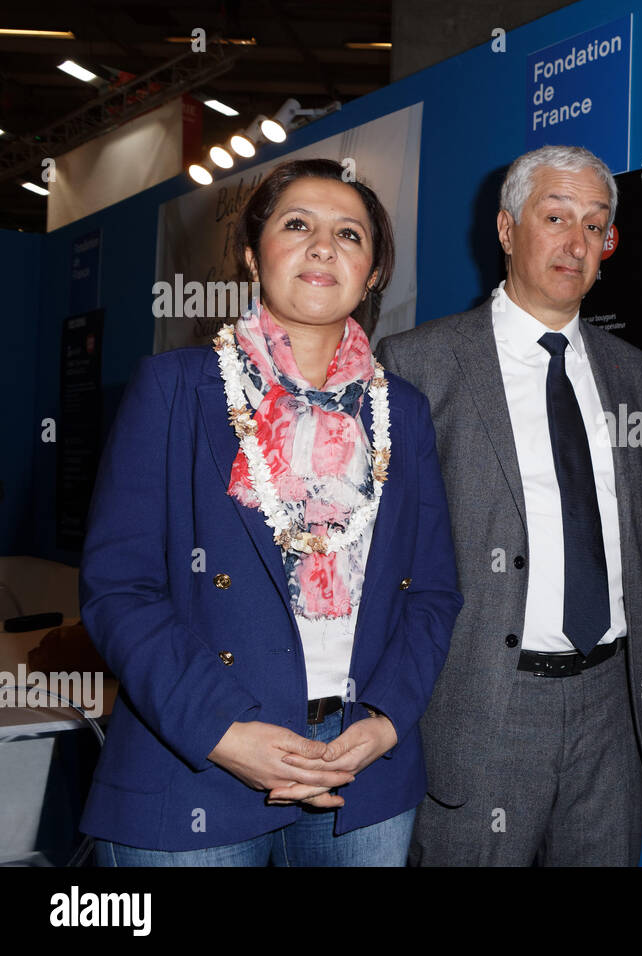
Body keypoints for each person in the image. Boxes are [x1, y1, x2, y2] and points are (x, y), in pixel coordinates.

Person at [79, 158, 462, 865]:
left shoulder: (400, 409)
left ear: (374, 272)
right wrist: (222, 731)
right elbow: (119, 587)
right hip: (195, 759)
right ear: (253, 254)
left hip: (362, 772)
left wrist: (385, 720)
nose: (324, 247)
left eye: (350, 234)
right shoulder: (175, 388)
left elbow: (433, 590)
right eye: (297, 225)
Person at [376, 145, 642, 866]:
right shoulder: (419, 364)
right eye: (555, 216)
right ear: (506, 230)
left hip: (614, 711)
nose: (576, 242)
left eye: (596, 226)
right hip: (483, 712)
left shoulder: (634, 375)